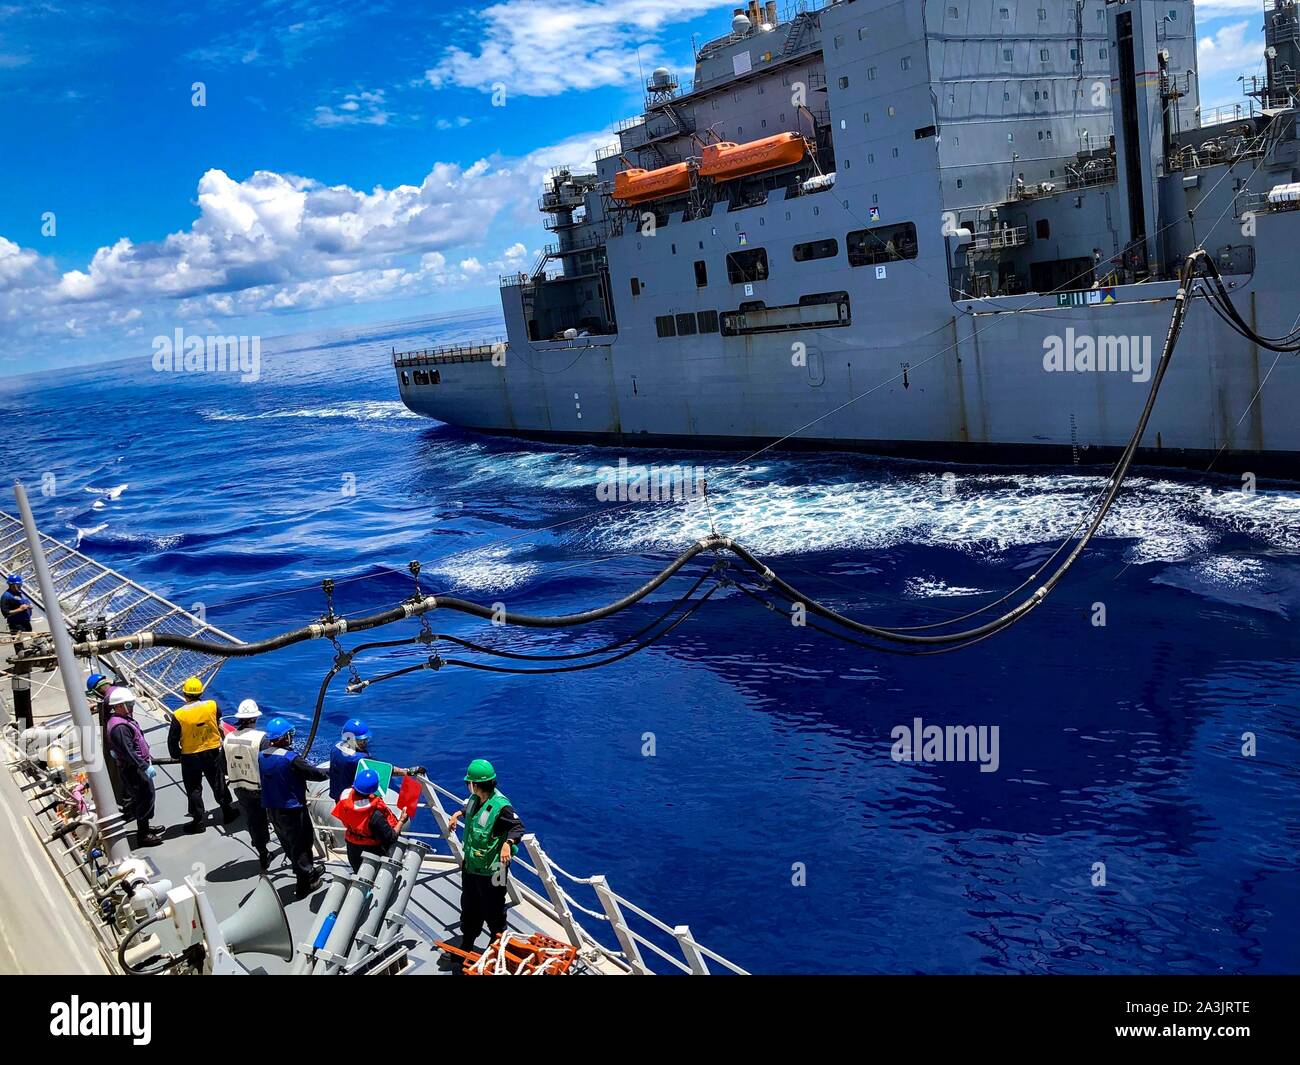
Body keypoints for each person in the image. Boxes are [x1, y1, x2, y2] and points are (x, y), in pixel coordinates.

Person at [447, 758, 525, 955]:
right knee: (470, 907)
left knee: (494, 909)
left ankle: (497, 945)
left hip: (495, 869)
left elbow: (518, 827)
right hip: (472, 866)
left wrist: (508, 844)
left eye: (468, 783)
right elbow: (472, 810)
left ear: (474, 784)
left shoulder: (501, 806)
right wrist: (457, 813)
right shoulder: (475, 800)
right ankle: (467, 943)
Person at [259, 716, 328, 897]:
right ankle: (306, 882)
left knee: (287, 842)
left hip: (272, 809)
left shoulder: (262, 755)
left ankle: (308, 871)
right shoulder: (291, 759)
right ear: (284, 737)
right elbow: (315, 773)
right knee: (302, 844)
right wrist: (331, 771)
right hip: (292, 810)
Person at [167, 675, 238, 834]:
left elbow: (172, 739)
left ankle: (198, 821)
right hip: (212, 752)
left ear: (185, 694)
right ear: (200, 692)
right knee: (218, 782)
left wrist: (177, 755)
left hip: (190, 756)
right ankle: (227, 811)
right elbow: (218, 719)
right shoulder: (212, 705)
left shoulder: (179, 714)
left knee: (193, 788)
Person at [103, 687, 163, 847]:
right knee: (145, 797)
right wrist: (144, 766)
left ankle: (145, 827)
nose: (132, 707)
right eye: (129, 704)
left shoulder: (119, 721)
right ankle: (143, 835)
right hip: (134, 769)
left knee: (144, 797)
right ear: (120, 705)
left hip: (135, 767)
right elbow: (129, 751)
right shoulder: (120, 727)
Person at [222, 699, 270, 870]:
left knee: (253, 820)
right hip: (260, 787)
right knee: (275, 819)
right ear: (255, 718)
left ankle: (262, 851)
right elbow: (269, 764)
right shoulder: (261, 739)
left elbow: (223, 763)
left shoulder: (228, 738)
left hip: (239, 787)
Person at [327, 717, 424, 800]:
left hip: (337, 794)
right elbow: (386, 770)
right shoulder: (359, 759)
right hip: (351, 799)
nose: (365, 743)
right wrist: (407, 771)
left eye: (365, 740)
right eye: (361, 741)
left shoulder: (335, 748)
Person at [331, 767, 405, 873]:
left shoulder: (344, 799)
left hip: (353, 849)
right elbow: (390, 838)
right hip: (372, 851)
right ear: (374, 789)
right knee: (374, 877)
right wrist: (402, 820)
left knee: (358, 873)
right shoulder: (375, 814)